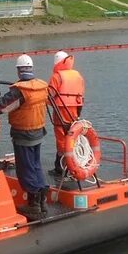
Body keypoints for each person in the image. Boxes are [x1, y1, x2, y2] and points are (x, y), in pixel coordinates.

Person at [0, 54, 48, 220]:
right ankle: (42, 200)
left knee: (26, 168)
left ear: (19, 70)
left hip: (23, 134)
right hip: (38, 132)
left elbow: (1, 106)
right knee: (36, 166)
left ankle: (33, 204)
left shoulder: (20, 91)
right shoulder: (42, 87)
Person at [48, 50, 85, 178]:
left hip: (60, 112)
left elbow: (50, 96)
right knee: (72, 137)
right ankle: (73, 164)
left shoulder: (57, 76)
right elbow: (81, 96)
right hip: (75, 111)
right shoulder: (77, 75)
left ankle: (62, 168)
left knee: (61, 139)